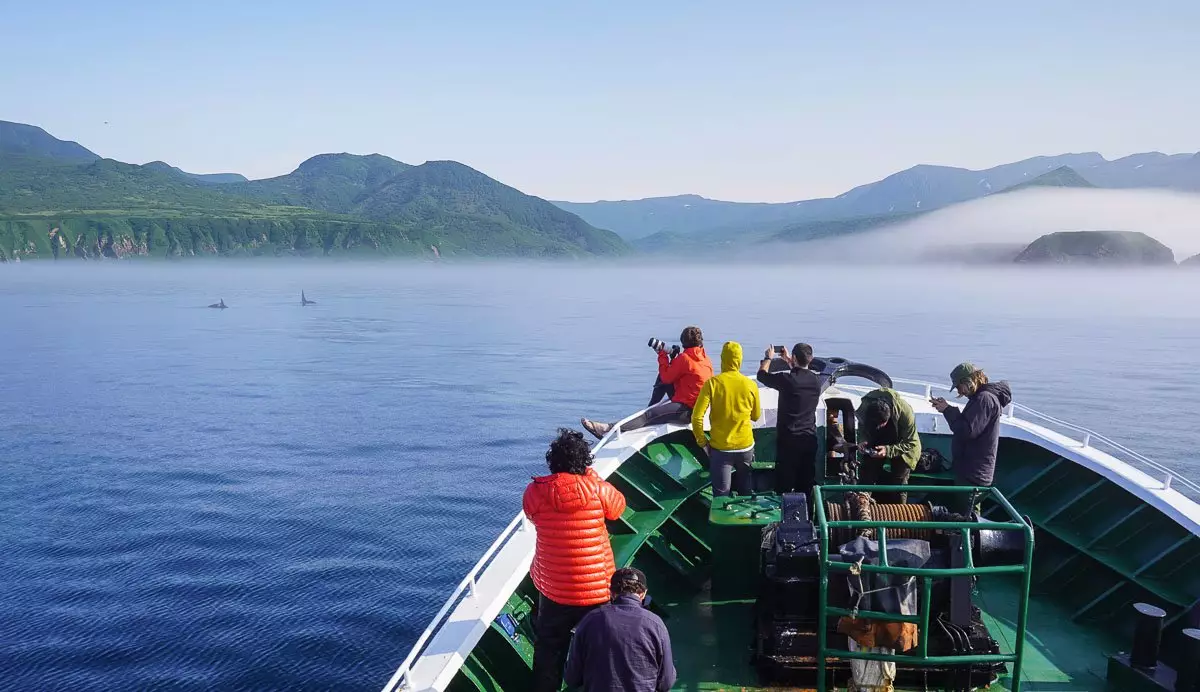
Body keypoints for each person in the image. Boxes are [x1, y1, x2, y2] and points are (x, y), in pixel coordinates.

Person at [523, 429, 627, 692]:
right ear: (585, 462)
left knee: (549, 648)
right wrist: (590, 476)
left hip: (554, 590)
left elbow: (533, 516)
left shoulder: (535, 492)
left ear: (552, 462)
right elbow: (618, 508)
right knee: (599, 650)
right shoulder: (597, 489)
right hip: (597, 590)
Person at [582, 326, 713, 439]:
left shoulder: (685, 358)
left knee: (648, 416)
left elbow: (667, 377)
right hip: (699, 407)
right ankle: (652, 406)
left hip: (686, 411)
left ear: (683, 343)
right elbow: (682, 376)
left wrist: (662, 356)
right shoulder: (706, 359)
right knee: (663, 376)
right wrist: (673, 360)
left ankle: (607, 429)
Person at [564, 567, 677, 692]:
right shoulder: (656, 624)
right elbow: (666, 683)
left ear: (611, 593)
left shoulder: (590, 620)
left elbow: (572, 679)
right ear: (643, 594)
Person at [931, 363, 1012, 515]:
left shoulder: (984, 399)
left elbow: (966, 431)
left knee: (967, 516)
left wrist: (947, 410)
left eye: (959, 386)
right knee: (968, 514)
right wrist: (947, 408)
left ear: (968, 382)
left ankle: (969, 538)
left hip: (973, 474)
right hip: (974, 471)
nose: (959, 391)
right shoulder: (982, 398)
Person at [692, 341, 762, 496]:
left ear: (722, 359)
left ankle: (723, 518)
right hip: (745, 447)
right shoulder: (750, 385)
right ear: (740, 360)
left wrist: (702, 442)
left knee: (721, 494)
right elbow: (756, 416)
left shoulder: (712, 384)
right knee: (745, 491)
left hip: (721, 449)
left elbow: (697, 417)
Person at [757, 343, 822, 497]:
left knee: (784, 484)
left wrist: (768, 358)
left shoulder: (787, 380)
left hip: (789, 441)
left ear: (794, 357)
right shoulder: (816, 381)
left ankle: (783, 517)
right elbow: (800, 374)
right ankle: (806, 516)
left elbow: (762, 375)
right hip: (809, 439)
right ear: (810, 359)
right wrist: (789, 360)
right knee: (805, 484)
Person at [856, 388, 921, 503]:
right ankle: (862, 507)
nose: (879, 427)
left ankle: (898, 515)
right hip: (876, 441)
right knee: (867, 475)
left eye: (881, 424)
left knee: (899, 484)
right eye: (875, 424)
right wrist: (863, 440)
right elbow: (862, 430)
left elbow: (911, 442)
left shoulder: (905, 412)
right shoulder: (865, 409)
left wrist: (888, 450)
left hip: (903, 446)